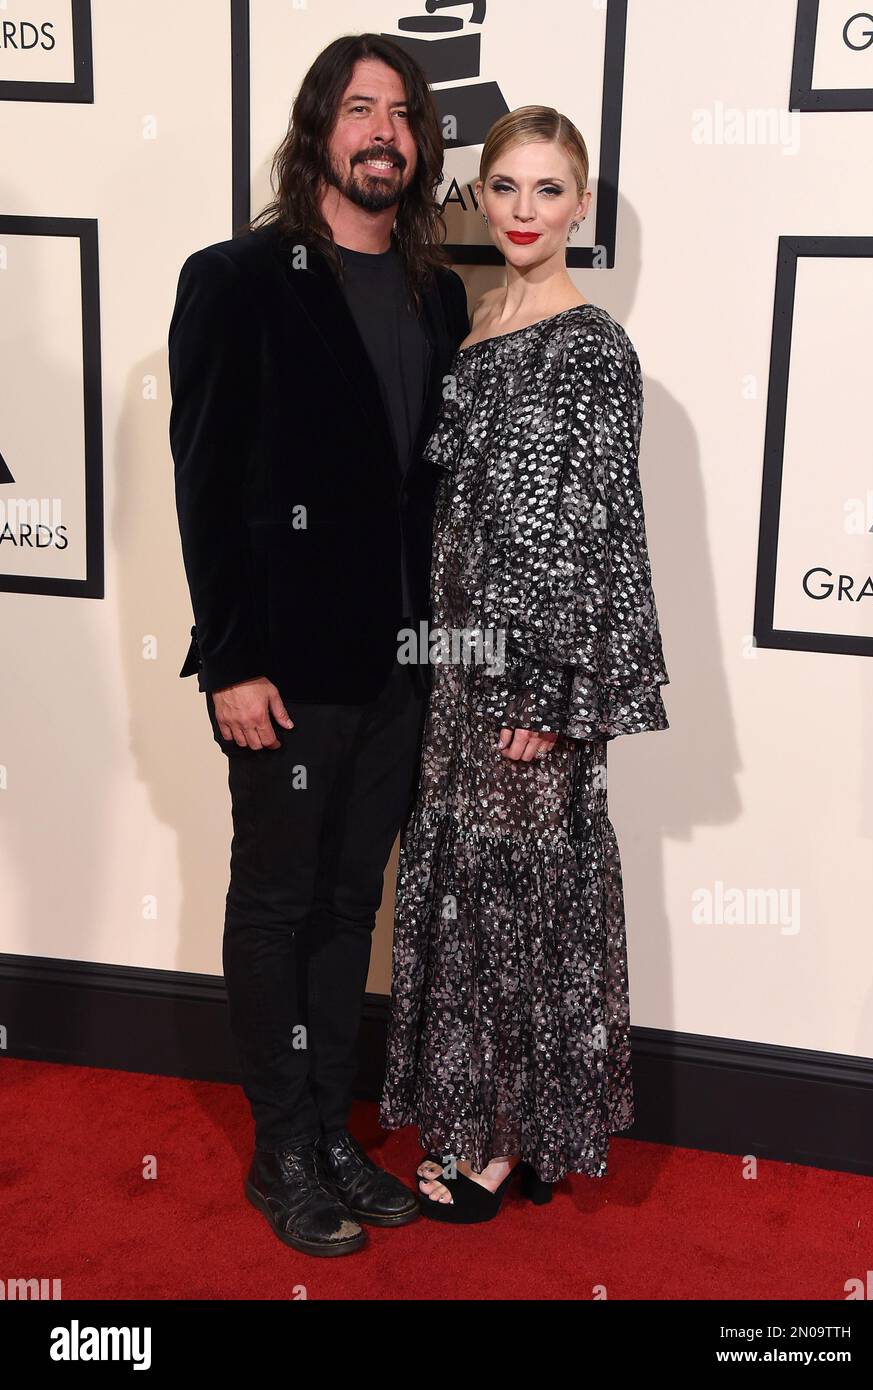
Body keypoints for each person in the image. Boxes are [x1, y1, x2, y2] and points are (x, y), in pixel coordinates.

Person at [168, 33, 469, 1256]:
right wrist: (231, 657)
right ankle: (280, 1144)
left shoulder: (433, 291)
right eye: (360, 110)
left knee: (355, 905)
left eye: (401, 113)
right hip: (282, 671)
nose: (383, 131)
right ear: (318, 132)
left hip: (400, 667)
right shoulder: (240, 277)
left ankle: (331, 1127)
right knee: (279, 900)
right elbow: (204, 479)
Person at [378, 106, 671, 1223]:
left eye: (549, 191)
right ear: (480, 194)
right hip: (457, 669)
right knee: (465, 894)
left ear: (580, 206)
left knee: (520, 901)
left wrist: (546, 691)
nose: (522, 211)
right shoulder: (477, 319)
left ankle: (508, 1140)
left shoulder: (591, 347)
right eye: (504, 187)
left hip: (527, 679)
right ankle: (495, 1121)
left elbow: (587, 530)